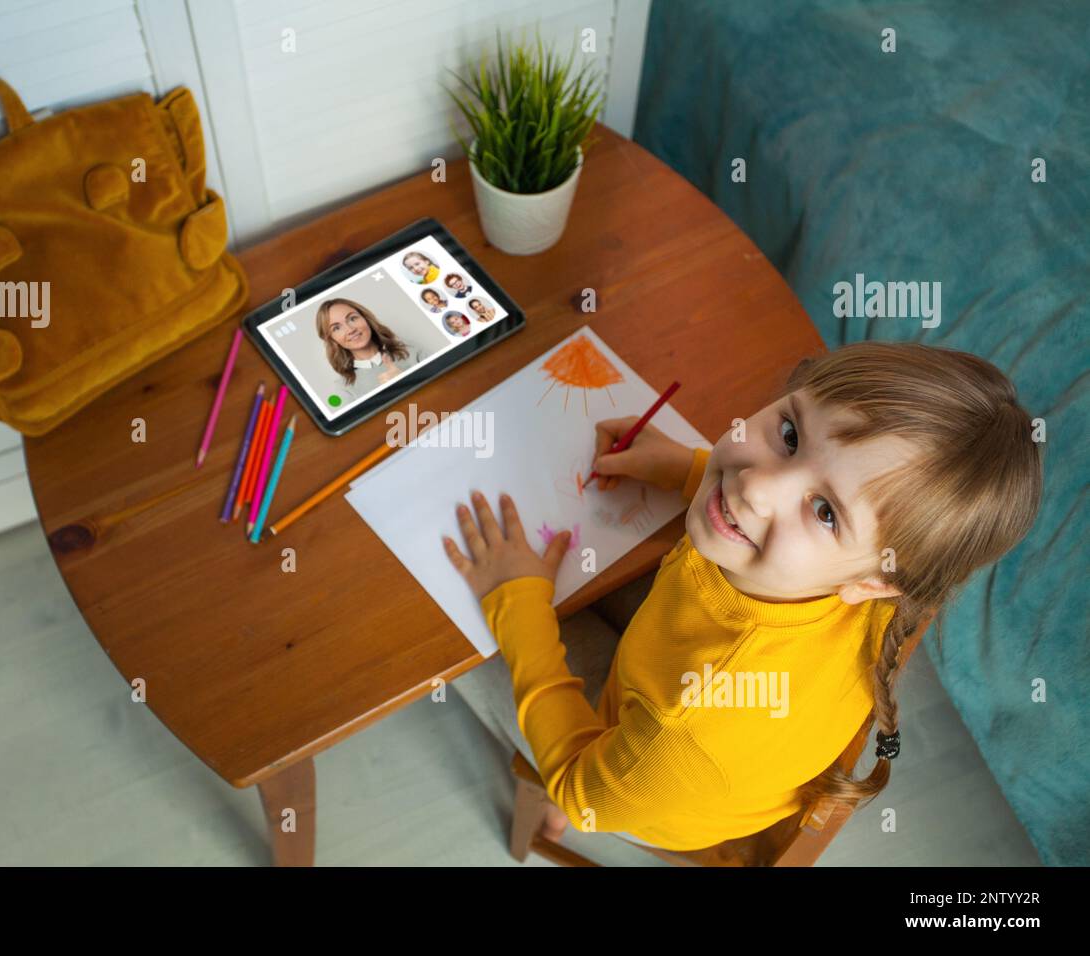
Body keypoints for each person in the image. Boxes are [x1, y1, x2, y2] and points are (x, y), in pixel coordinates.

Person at [445, 342, 1043, 851]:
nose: (754, 485)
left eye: (826, 512)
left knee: (453, 647)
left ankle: (541, 813)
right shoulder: (868, 575)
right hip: (680, 699)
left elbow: (582, 790)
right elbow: (786, 486)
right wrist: (681, 467)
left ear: (875, 584)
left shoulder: (688, 731)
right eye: (789, 434)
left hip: (632, 775)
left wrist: (515, 601)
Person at [315, 298, 425, 402]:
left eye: (352, 318)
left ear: (366, 319)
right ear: (331, 339)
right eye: (336, 328)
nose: (350, 330)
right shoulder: (344, 388)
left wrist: (407, 381)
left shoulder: (410, 351)